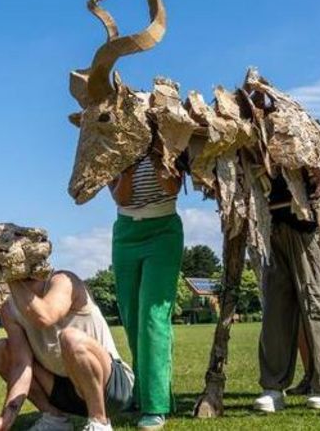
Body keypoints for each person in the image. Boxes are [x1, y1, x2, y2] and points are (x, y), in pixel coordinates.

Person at [0, 270, 134, 431]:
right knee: (2, 350)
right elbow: (21, 365)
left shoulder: (63, 281)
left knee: (71, 339)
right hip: (64, 391)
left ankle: (100, 423)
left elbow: (44, 317)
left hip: (111, 388)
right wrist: (6, 419)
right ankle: (55, 418)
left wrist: (11, 277)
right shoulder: (9, 309)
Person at [252, 170, 320, 413]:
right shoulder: (260, 142)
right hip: (271, 229)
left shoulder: (313, 140)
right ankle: (273, 387)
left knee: (316, 308)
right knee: (275, 313)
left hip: (306, 231)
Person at [108, 149, 184, 430]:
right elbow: (121, 197)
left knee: (153, 317)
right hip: (126, 233)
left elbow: (171, 188)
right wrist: (126, 166)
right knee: (132, 316)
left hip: (163, 230)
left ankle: (156, 405)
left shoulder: (168, 141)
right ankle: (141, 394)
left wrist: (157, 157)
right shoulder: (112, 146)